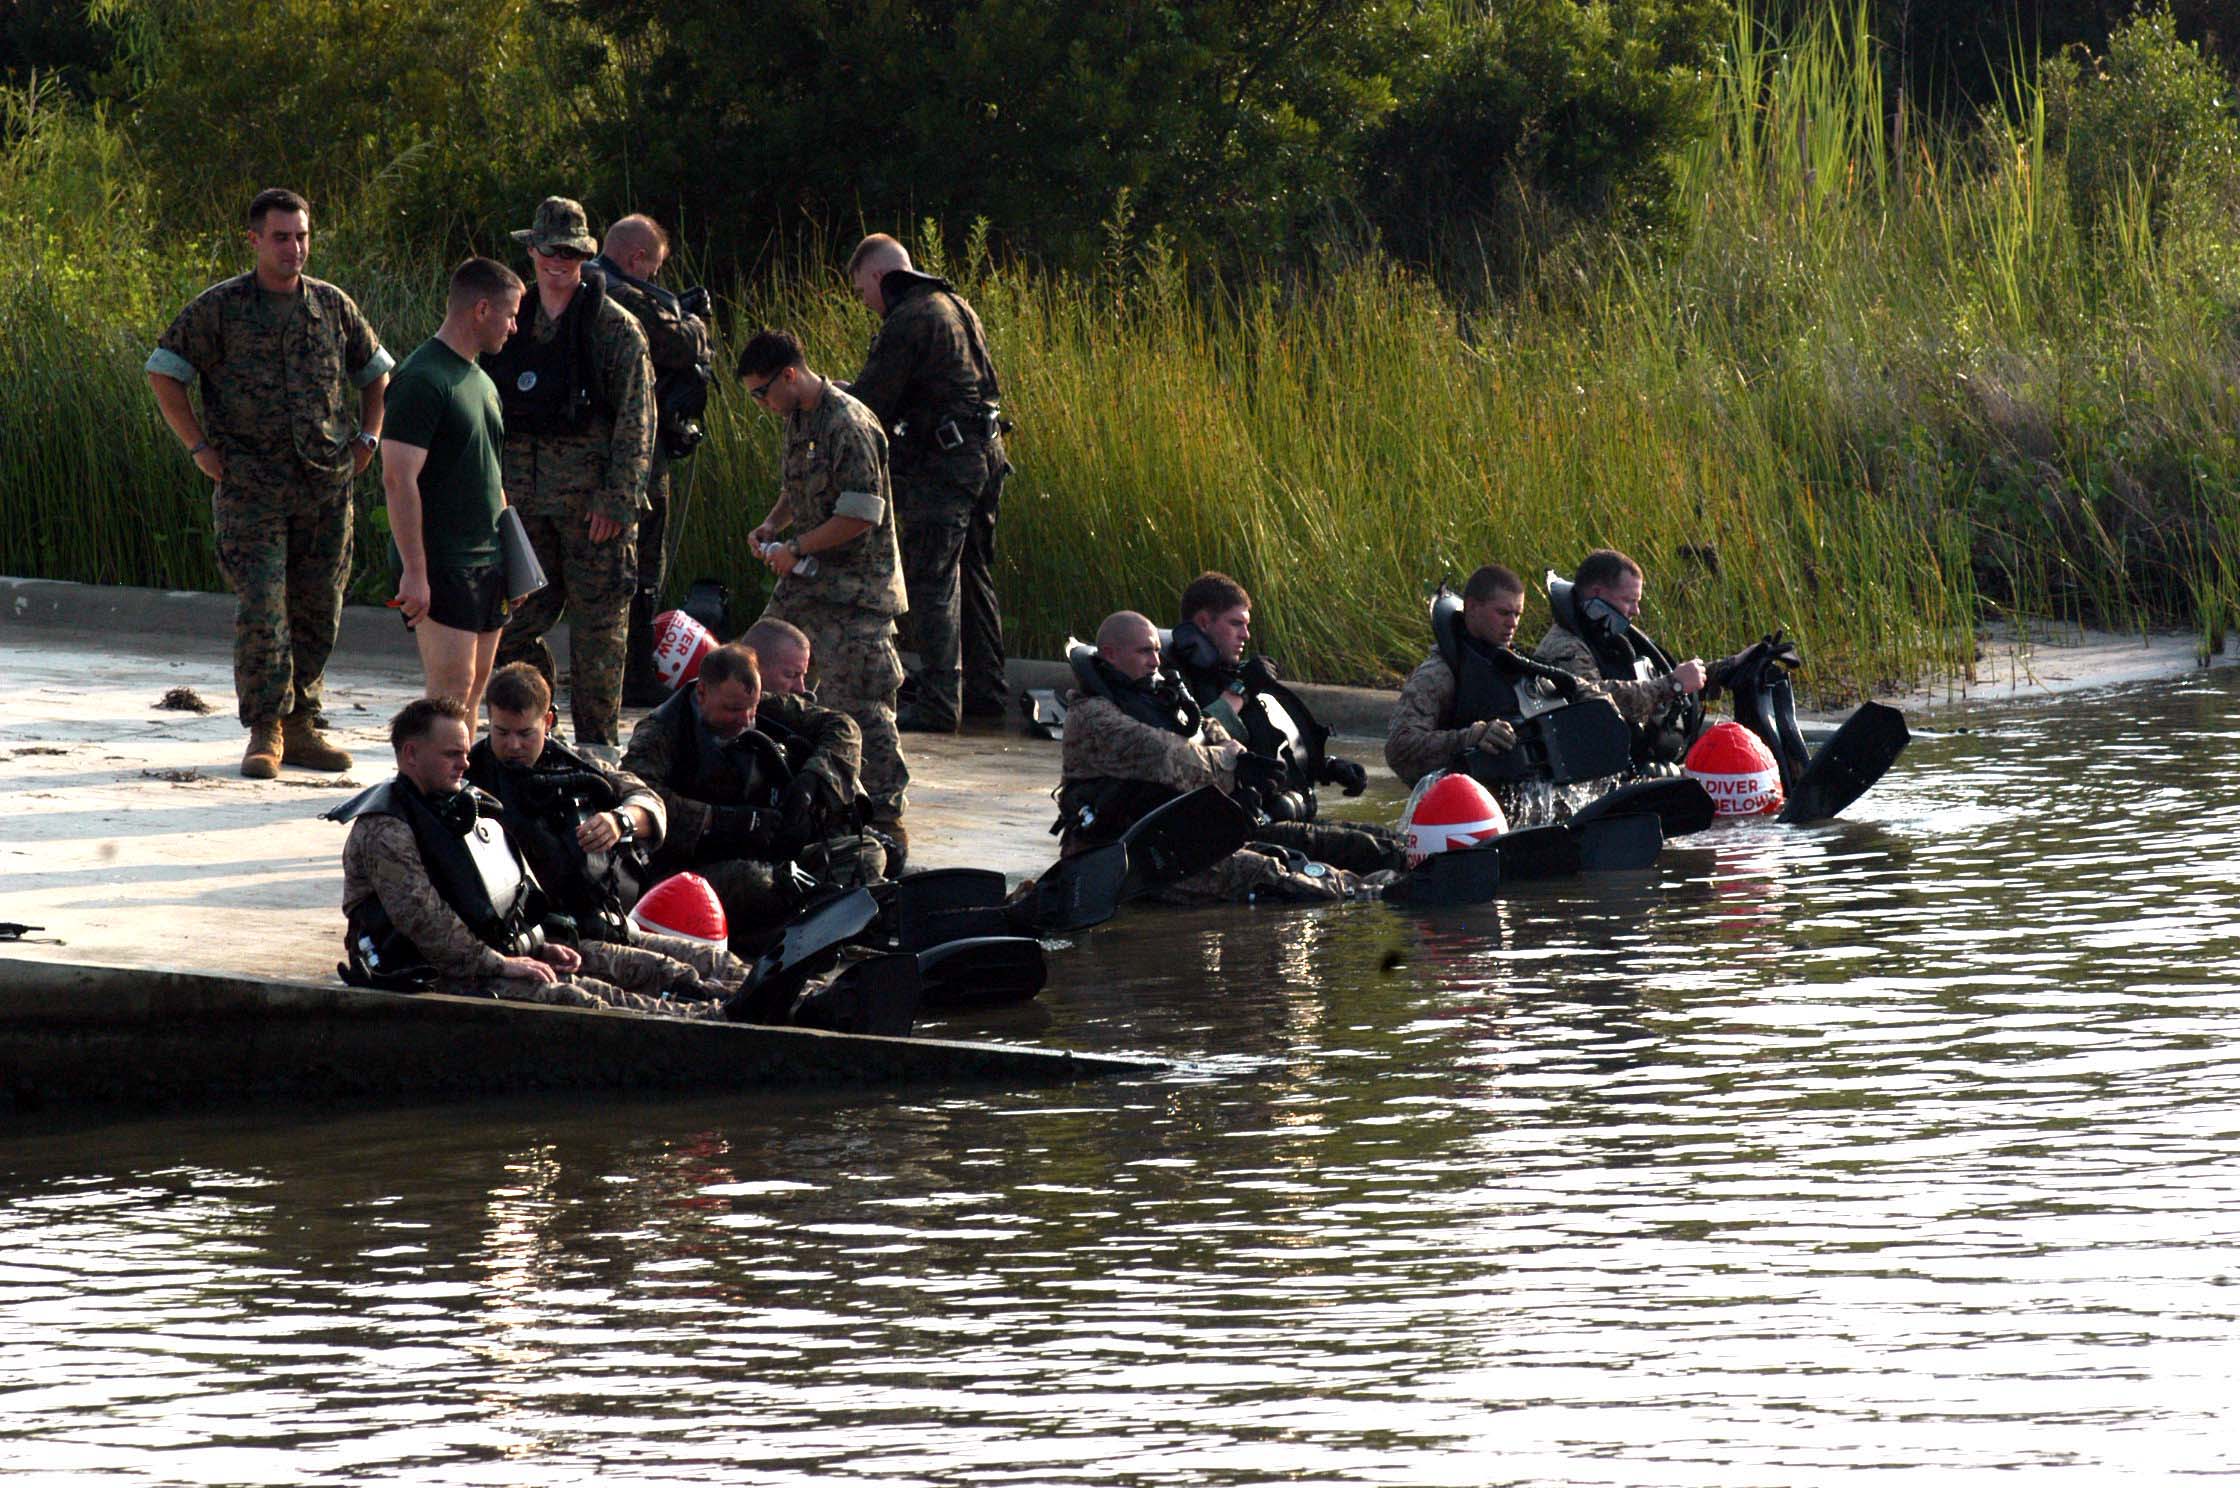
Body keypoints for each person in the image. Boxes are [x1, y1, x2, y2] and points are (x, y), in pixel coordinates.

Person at [146, 187, 393, 779]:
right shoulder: (222, 308)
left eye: (302, 236)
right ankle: (265, 727)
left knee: (319, 608)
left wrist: (368, 439)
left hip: (326, 487)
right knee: (263, 607)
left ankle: (301, 723)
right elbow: (164, 372)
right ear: (255, 239)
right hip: (251, 489)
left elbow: (377, 373)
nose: (295, 248)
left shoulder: (331, 306)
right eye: (282, 237)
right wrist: (199, 446)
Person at [336, 697, 731, 1014]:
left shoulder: (458, 804)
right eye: (451, 754)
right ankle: (706, 1022)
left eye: (464, 752)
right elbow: (424, 920)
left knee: (644, 968)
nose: (465, 764)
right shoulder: (385, 828)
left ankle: (733, 1000)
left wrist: (537, 944)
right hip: (420, 969)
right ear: (410, 755)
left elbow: (498, 896)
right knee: (574, 999)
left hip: (487, 953)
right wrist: (502, 964)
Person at [485, 197, 657, 755]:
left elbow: (638, 421)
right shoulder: (514, 321)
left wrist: (618, 500)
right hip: (525, 507)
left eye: (569, 251)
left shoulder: (615, 329)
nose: (556, 261)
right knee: (512, 628)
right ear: (530, 251)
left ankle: (598, 748)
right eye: (546, 250)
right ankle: (537, 724)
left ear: (584, 255)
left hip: (593, 510)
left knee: (599, 635)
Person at [1056, 612, 1375, 906]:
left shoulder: (1151, 696)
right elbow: (1167, 756)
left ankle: (1384, 885)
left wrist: (1237, 756)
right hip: (1125, 858)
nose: (1156, 661)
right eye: (1144, 652)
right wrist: (1234, 766)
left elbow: (1207, 727)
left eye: (1156, 651)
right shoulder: (1094, 716)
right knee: (1273, 881)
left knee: (1286, 859)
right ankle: (1377, 894)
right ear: (1111, 654)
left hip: (1175, 839)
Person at [464, 662, 749, 991]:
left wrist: (620, 821)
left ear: (548, 722)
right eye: (501, 732)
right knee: (679, 978)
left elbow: (648, 801)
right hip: (561, 943)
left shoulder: (575, 763)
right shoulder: (472, 784)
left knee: (721, 964)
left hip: (609, 923)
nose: (513, 745)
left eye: (525, 733)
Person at [739, 329, 912, 865]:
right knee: (755, 663)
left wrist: (795, 546)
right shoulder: (799, 418)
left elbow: (862, 513)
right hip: (809, 582)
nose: (761, 404)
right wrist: (772, 526)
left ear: (790, 375)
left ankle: (884, 812)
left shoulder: (849, 423)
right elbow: (799, 487)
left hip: (857, 592)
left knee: (862, 702)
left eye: (762, 392)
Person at [844, 233, 1010, 734]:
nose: (866, 303)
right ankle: (984, 690)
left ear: (877, 276)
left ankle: (939, 702)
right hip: (986, 457)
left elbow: (872, 403)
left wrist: (833, 395)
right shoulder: (955, 305)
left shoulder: (910, 319)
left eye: (861, 291)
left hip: (945, 466)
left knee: (932, 579)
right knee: (973, 572)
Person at [623, 642, 887, 944]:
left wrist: (812, 781)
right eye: (733, 709)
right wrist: (721, 821)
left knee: (866, 855)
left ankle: (828, 914)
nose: (746, 719)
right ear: (702, 693)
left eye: (753, 707)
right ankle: (822, 917)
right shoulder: (660, 733)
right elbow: (638, 795)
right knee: (756, 882)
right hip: (693, 871)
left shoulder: (759, 705)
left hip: (776, 855)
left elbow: (843, 727)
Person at [1168, 572, 1406, 875]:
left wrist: (1325, 766)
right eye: (1236, 623)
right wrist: (1242, 689)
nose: (1246, 635)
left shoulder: (1230, 674)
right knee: (1384, 854)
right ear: (1203, 622)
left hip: (1290, 816)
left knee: (1396, 841)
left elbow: (1271, 746)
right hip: (1252, 832)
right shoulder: (1179, 683)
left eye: (1247, 625)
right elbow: (1198, 738)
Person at [379, 257, 523, 723]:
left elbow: (492, 476)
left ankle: (459, 786)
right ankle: (426, 790)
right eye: (509, 314)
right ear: (481, 309)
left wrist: (515, 560)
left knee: (476, 688)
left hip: (488, 560)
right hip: (444, 561)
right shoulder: (422, 379)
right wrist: (414, 571)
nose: (514, 327)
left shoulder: (481, 380)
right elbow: (398, 478)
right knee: (448, 693)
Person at [589, 214, 714, 707]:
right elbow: (684, 343)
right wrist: (693, 320)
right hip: (633, 458)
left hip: (591, 456)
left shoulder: (579, 287)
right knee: (640, 570)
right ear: (636, 258)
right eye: (654, 269)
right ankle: (634, 674)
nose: (655, 280)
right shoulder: (621, 293)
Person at [1534, 549, 1708, 773]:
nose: (1636, 611)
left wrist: (1723, 668)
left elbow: (1659, 675)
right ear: (1597, 595)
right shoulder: (1564, 647)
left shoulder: (1609, 638)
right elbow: (1595, 700)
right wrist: (1670, 685)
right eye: (1629, 601)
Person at [740, 617, 869, 834]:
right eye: (790, 675)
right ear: (754, 667)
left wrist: (812, 779)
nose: (800, 688)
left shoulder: (783, 707)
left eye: (802, 676)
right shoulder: (764, 702)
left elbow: (844, 728)